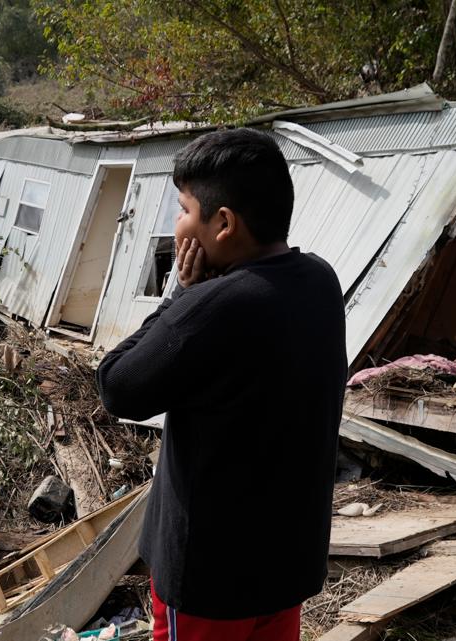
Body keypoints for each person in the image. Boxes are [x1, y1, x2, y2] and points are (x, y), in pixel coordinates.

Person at [96, 127, 347, 641]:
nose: (177, 222)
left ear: (225, 224)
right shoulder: (320, 282)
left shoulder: (213, 310)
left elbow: (117, 385)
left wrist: (180, 297)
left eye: (184, 209)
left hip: (212, 580)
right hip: (285, 565)